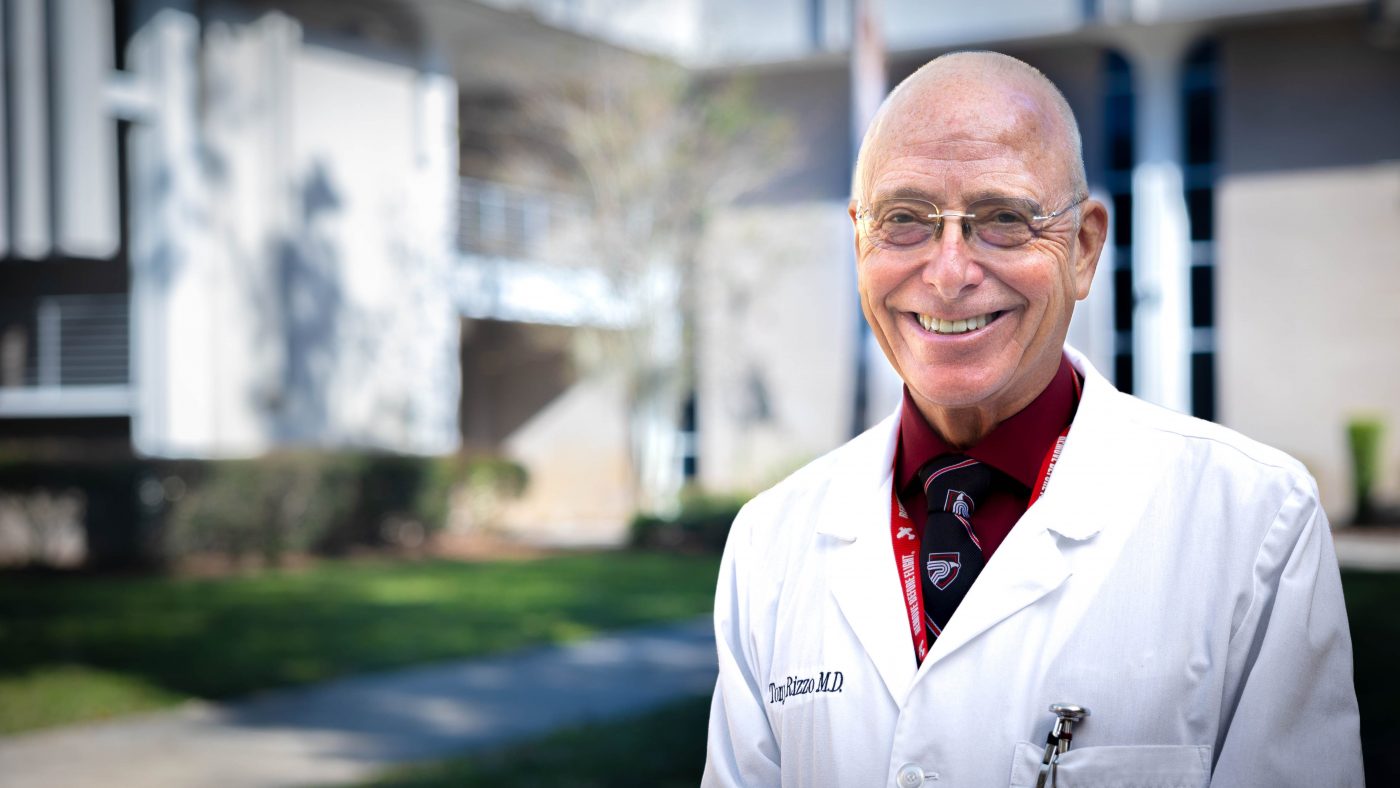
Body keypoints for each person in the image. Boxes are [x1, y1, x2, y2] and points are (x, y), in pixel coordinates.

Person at [701, 51, 1362, 787]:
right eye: (904, 220)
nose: (949, 273)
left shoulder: (1253, 524)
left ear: (1083, 249)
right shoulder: (770, 542)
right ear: (860, 240)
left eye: (1004, 219)